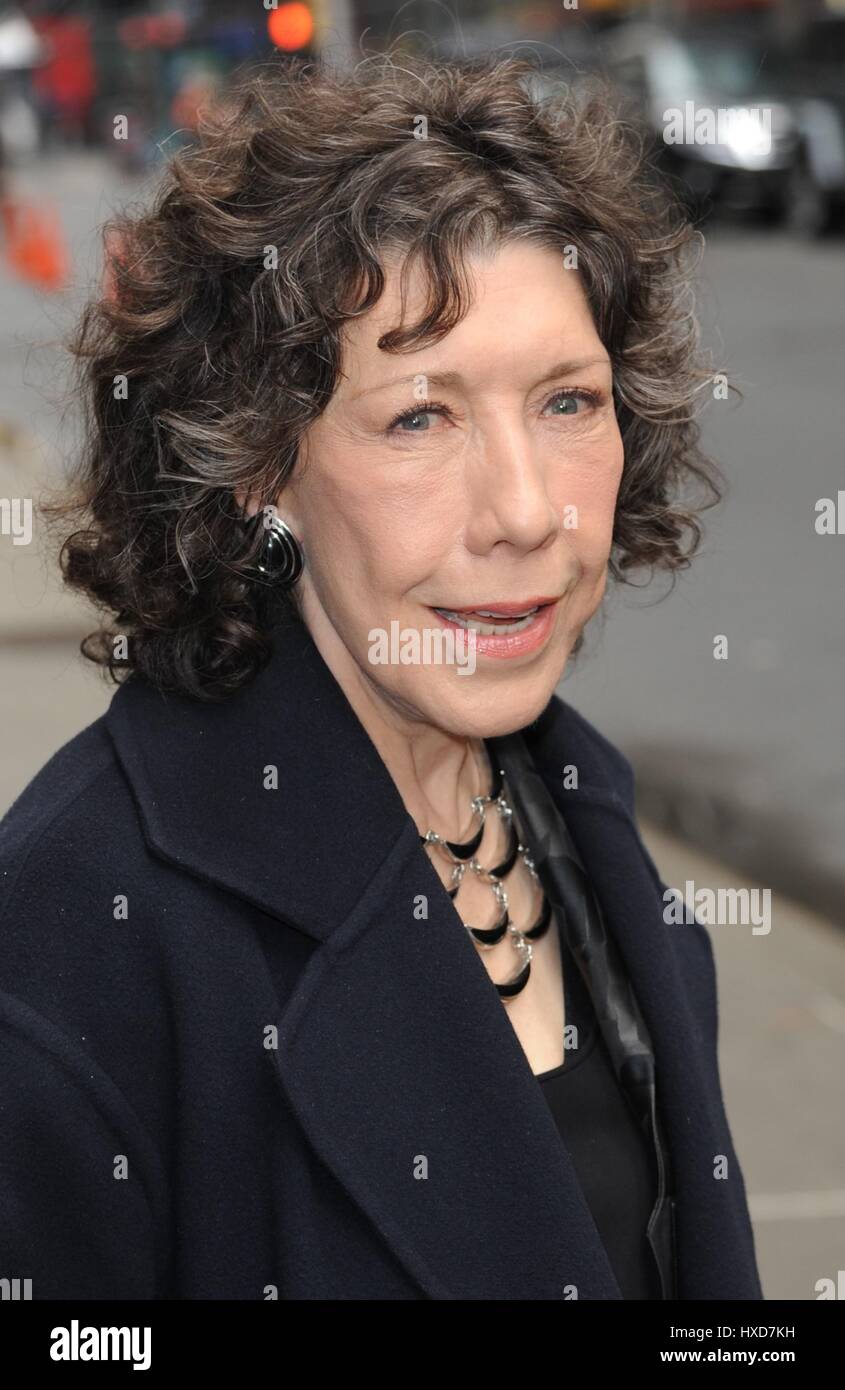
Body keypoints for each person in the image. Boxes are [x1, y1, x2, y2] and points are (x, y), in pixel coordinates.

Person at [0, 52, 763, 1300]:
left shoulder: (590, 829)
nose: (523, 513)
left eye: (567, 403)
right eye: (420, 416)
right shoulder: (72, 948)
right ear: (255, 465)